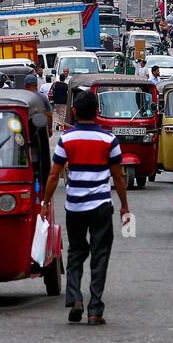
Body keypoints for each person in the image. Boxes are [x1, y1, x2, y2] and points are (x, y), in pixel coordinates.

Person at [42, 91, 131, 325]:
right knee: (99, 256)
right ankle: (95, 310)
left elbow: (53, 175)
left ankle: (75, 298)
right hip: (101, 205)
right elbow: (118, 176)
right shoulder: (109, 140)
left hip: (75, 206)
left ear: (75, 112)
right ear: (97, 112)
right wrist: (124, 205)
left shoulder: (67, 140)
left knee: (75, 252)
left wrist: (45, 203)